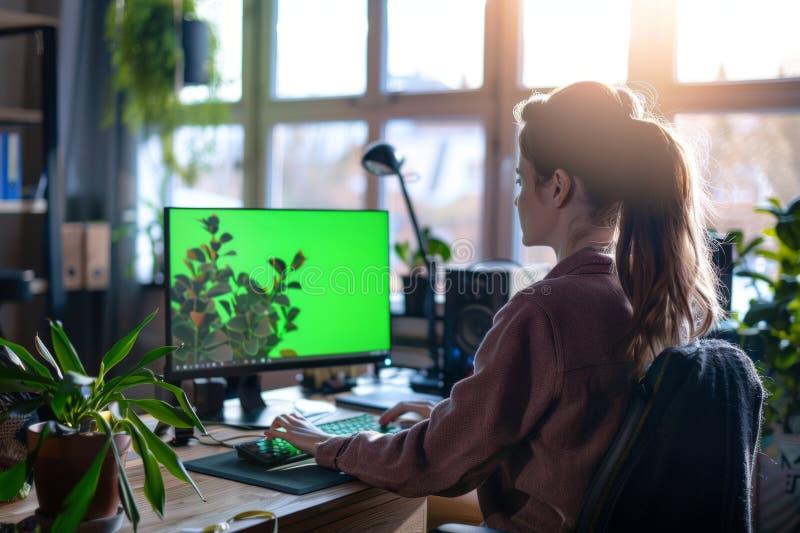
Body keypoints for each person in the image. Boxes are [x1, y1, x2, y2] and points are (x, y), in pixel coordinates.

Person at [264, 81, 723, 532]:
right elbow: (569, 430)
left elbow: (430, 466)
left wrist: (326, 444)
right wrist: (450, 418)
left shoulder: (545, 310)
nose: (519, 195)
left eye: (523, 179)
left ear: (558, 186)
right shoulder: (644, 296)